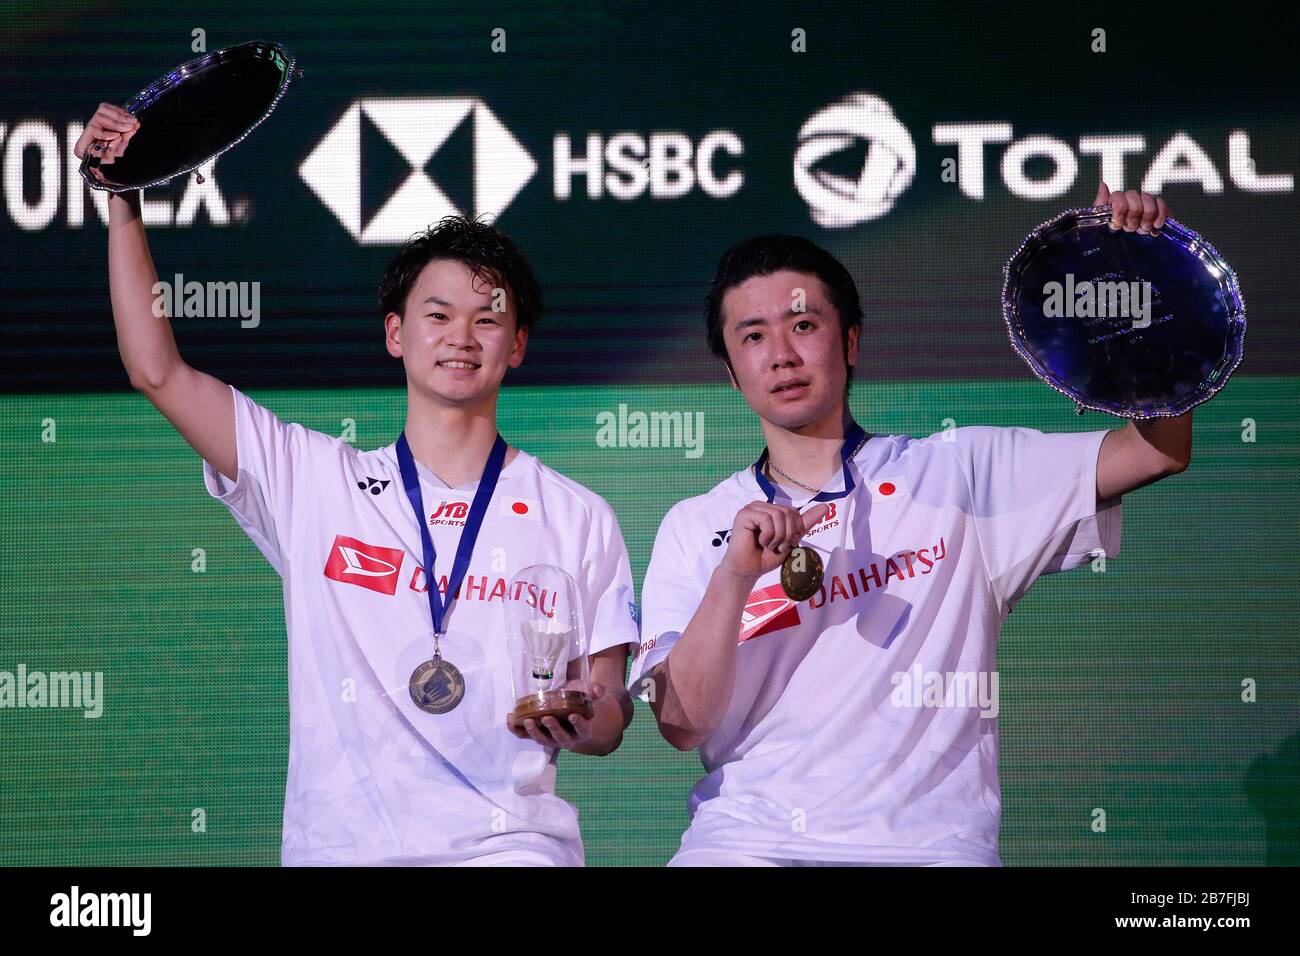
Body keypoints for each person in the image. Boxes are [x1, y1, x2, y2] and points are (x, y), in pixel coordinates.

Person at [77, 103, 637, 867]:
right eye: (437, 315)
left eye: (488, 318)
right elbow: (157, 370)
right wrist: (124, 199)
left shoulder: (578, 516)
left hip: (513, 853)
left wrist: (582, 716)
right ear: (395, 334)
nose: (462, 337)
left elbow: (608, 718)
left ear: (518, 344)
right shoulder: (314, 480)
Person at [630, 184, 1192, 866]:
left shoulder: (963, 472)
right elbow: (683, 724)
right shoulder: (697, 527)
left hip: (929, 850)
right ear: (730, 371)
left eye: (803, 325)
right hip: (746, 845)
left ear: (852, 340)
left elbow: (1155, 451)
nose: (780, 353)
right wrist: (735, 578)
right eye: (752, 336)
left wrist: (1152, 288)